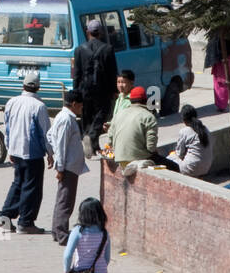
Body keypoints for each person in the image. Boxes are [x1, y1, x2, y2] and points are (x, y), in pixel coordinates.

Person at [0, 70, 51, 234]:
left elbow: (7, 127)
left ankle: (5, 217)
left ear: (23, 85)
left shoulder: (12, 102)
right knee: (31, 188)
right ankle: (26, 222)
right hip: (32, 153)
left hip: (16, 151)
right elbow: (46, 133)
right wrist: (51, 153)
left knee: (18, 184)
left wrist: (9, 149)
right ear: (38, 88)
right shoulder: (39, 106)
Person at [73, 18, 118, 156]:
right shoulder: (108, 49)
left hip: (85, 89)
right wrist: (114, 90)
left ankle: (92, 144)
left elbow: (77, 73)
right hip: (103, 89)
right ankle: (92, 137)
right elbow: (112, 72)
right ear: (101, 32)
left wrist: (76, 91)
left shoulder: (80, 50)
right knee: (102, 114)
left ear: (88, 32)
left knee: (88, 115)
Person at [48, 90, 87, 244]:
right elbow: (61, 144)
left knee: (63, 200)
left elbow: (50, 136)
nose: (81, 110)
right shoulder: (67, 119)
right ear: (75, 104)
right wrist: (60, 167)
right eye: (80, 107)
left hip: (69, 166)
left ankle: (57, 231)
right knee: (65, 202)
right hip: (68, 167)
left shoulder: (63, 117)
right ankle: (62, 235)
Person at [107, 86, 162, 169]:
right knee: (174, 166)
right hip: (139, 158)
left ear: (130, 101)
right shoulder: (149, 117)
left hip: (118, 158)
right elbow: (151, 148)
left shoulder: (118, 115)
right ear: (146, 101)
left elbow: (109, 142)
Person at [171, 105, 214, 178]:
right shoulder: (205, 129)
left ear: (184, 119)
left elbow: (179, 154)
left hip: (191, 168)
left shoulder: (184, 131)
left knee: (170, 157)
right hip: (207, 167)